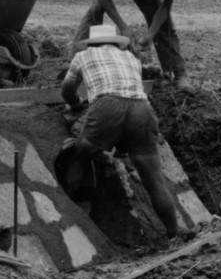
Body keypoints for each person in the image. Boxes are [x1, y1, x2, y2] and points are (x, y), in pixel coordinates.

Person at [61, 23, 180, 240]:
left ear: (91, 43)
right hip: (142, 110)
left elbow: (67, 90)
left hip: (107, 106)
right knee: (154, 179)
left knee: (80, 154)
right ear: (116, 43)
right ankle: (175, 234)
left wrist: (76, 103)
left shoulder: (83, 56)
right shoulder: (131, 58)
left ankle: (66, 210)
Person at [74, 0, 189, 90]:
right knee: (96, 9)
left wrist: (150, 35)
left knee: (164, 22)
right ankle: (76, 67)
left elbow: (165, 8)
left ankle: (178, 73)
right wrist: (123, 27)